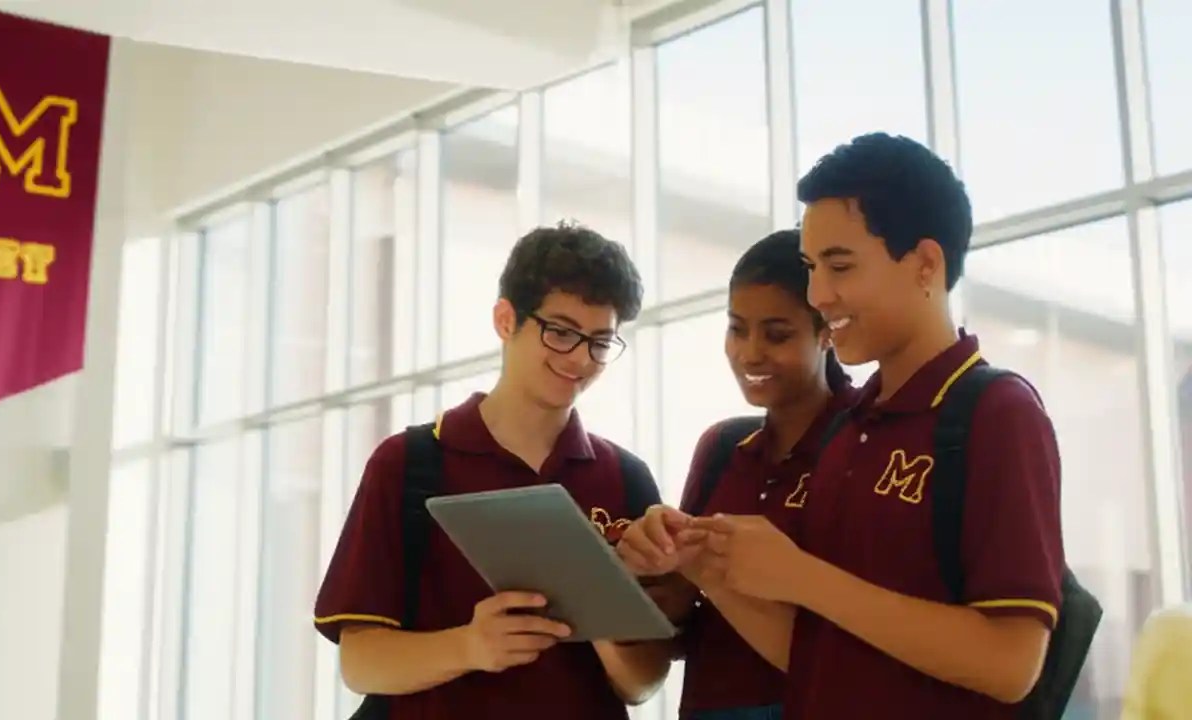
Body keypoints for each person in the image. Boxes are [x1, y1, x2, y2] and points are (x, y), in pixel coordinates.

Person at [691, 133, 1066, 719]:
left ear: (924, 264)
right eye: (813, 268)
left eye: (839, 266)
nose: (818, 294)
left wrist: (803, 577)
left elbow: (1012, 662)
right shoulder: (848, 428)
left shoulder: (997, 413)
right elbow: (818, 656)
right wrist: (711, 566)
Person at [312, 222, 670, 719]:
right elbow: (360, 662)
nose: (580, 360)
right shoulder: (410, 464)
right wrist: (471, 647)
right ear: (506, 320)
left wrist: (599, 602)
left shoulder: (625, 477)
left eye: (599, 342)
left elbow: (643, 683)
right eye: (561, 332)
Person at [615, 229, 857, 720]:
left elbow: (858, 643)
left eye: (777, 334)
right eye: (736, 328)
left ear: (826, 330)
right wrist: (650, 572)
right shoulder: (723, 449)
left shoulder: (866, 446)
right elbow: (684, 618)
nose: (749, 353)